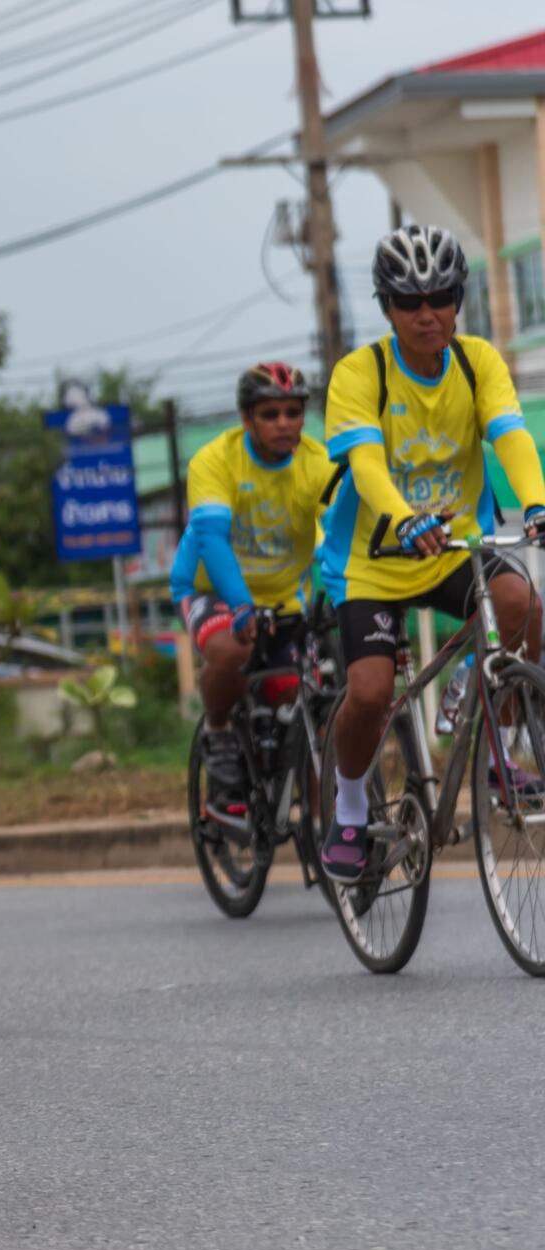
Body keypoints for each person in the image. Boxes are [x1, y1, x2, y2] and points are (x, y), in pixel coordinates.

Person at [317, 224, 545, 880]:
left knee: (525, 608)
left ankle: (498, 755)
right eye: (410, 300)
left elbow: (511, 436)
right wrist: (405, 518)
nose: (428, 313)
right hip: (374, 559)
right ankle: (352, 805)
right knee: (369, 690)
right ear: (386, 307)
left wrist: (535, 503)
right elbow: (365, 468)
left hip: (453, 550)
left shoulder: (478, 362)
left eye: (442, 295)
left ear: (458, 298)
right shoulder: (361, 374)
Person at [168, 363, 332, 813]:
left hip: (283, 598)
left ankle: (329, 831)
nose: (284, 424)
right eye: (270, 414)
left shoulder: (318, 463)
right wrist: (240, 606)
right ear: (246, 419)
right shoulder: (215, 460)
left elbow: (339, 531)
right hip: (210, 590)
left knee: (314, 698)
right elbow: (212, 539)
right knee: (235, 650)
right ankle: (218, 731)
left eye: (293, 412)